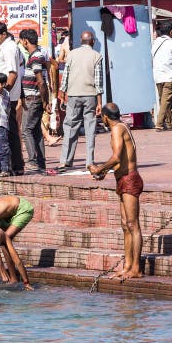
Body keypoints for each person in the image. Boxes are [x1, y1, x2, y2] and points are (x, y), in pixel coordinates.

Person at [88, 103, 143, 281]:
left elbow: (117, 156)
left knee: (133, 224)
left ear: (105, 117)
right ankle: (127, 266)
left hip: (130, 179)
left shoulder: (117, 129)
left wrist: (99, 169)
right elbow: (121, 161)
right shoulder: (123, 126)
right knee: (125, 224)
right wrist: (105, 172)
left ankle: (136, 268)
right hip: (123, 178)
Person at [58, 31, 103, 171]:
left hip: (73, 95)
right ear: (93, 41)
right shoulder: (97, 56)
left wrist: (62, 92)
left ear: (80, 41)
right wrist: (100, 102)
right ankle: (89, 161)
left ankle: (64, 161)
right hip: (90, 95)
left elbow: (65, 75)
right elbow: (98, 82)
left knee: (70, 127)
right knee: (90, 128)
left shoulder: (71, 54)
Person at [0, 21, 25, 174]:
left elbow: (13, 72)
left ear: (4, 34)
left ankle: (13, 166)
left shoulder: (9, 47)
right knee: (7, 131)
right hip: (4, 95)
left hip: (6, 96)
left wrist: (4, 90)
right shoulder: (4, 47)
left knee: (7, 133)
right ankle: (13, 166)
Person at [18, 28, 52, 172]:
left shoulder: (35, 57)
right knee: (36, 131)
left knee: (26, 130)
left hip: (33, 98)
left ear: (25, 41)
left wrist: (45, 101)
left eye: (21, 41)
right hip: (35, 98)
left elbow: (41, 81)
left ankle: (32, 161)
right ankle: (40, 163)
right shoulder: (37, 55)